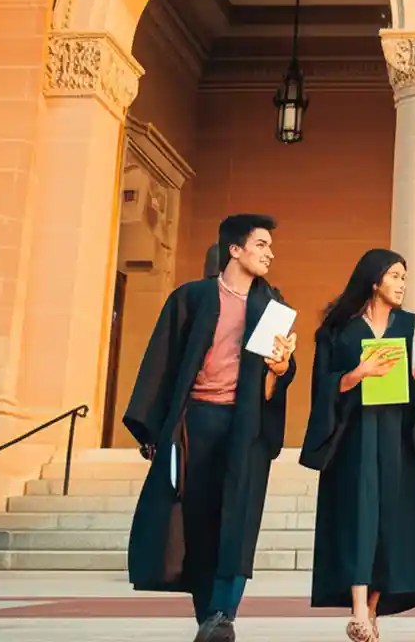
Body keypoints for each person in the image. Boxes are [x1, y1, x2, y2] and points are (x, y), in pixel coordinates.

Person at [123, 213, 298, 642]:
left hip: (247, 426)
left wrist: (281, 368)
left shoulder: (272, 305)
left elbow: (277, 376)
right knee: (198, 523)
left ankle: (223, 614)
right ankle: (210, 618)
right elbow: (161, 363)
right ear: (234, 249)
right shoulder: (192, 298)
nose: (269, 253)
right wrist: (153, 430)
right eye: (261, 245)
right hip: (196, 421)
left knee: (237, 523)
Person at [299, 249, 415, 642]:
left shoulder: (414, 326)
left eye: (404, 278)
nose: (401, 284)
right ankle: (358, 610)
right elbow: (321, 387)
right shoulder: (338, 330)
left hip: (397, 439)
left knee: (388, 527)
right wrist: (357, 374)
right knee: (357, 522)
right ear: (374, 280)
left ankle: (373, 610)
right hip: (353, 440)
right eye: (395, 276)